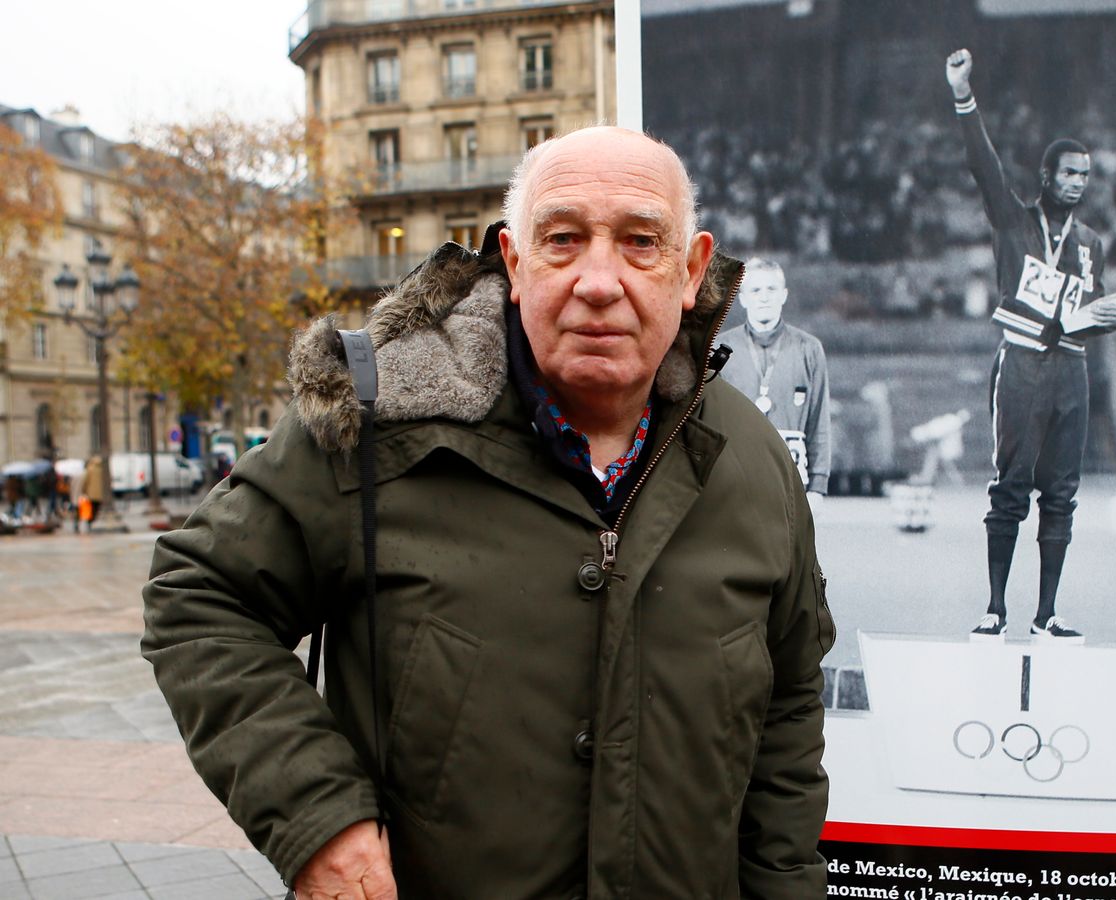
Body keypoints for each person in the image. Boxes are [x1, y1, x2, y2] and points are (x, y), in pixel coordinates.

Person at [142, 126, 835, 897]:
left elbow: (790, 705)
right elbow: (199, 593)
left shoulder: (754, 459)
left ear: (691, 270)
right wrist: (316, 817)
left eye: (641, 242)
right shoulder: (378, 423)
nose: (599, 280)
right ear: (513, 261)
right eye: (563, 239)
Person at [945, 48, 1116, 643]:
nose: (1077, 183)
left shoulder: (1091, 243)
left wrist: (1106, 318)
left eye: (1085, 175)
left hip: (1070, 371)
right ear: (1047, 177)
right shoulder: (1014, 220)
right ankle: (995, 607)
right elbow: (982, 165)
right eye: (1068, 173)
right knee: (1010, 486)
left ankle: (1046, 612)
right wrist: (963, 94)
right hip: (1021, 364)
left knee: (1063, 493)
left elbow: (1085, 313)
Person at [719, 257, 832, 510]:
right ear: (743, 298)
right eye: (756, 290)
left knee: (787, 550)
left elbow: (819, 421)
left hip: (791, 482)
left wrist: (817, 486)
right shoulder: (721, 349)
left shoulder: (809, 349)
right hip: (736, 481)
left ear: (783, 295)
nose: (764, 298)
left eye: (771, 290)